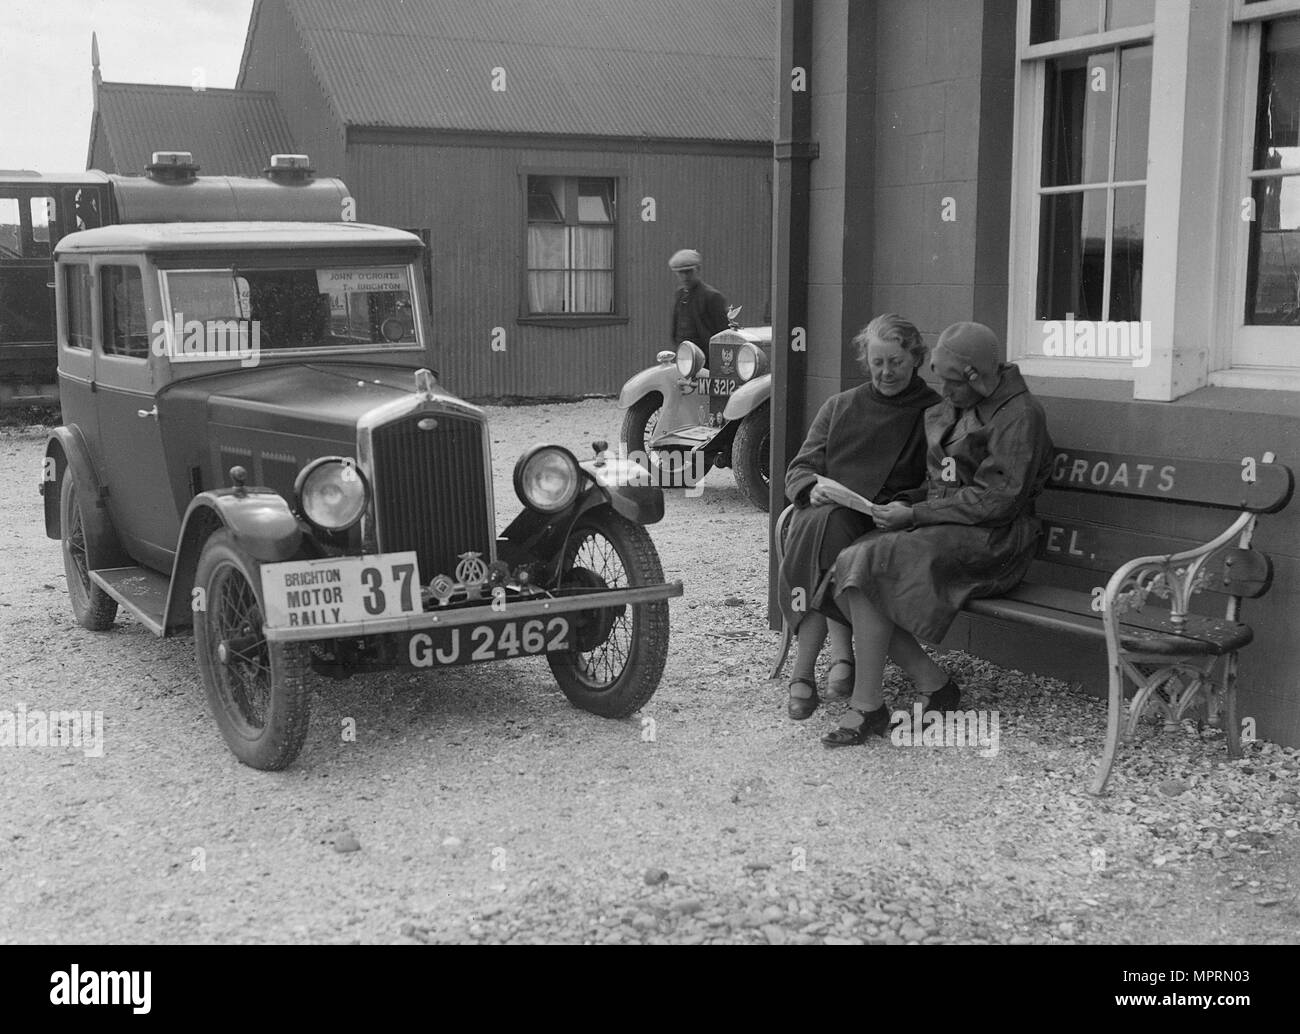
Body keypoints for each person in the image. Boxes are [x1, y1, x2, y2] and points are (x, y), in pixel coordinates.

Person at [818, 321, 1056, 747]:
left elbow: (997, 502)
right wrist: (899, 506)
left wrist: (915, 514)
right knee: (851, 562)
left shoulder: (1020, 415)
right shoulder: (961, 403)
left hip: (997, 542)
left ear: (976, 377)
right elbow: (939, 480)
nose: (943, 393)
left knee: (872, 562)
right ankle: (915, 686)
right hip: (947, 528)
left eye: (952, 384)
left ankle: (871, 703)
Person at [779, 314, 940, 720]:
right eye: (877, 363)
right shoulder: (840, 406)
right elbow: (798, 469)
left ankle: (808, 673)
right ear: (865, 361)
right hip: (835, 516)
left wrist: (906, 506)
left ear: (916, 358)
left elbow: (939, 483)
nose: (886, 372)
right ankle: (836, 663)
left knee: (819, 529)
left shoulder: (934, 413)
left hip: (890, 525)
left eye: (896, 363)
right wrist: (811, 487)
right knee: (821, 522)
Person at [668, 249, 729, 349]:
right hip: (684, 357)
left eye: (688, 272)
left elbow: (723, 334)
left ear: (698, 269)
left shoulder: (712, 297)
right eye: (680, 272)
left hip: (706, 358)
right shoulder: (679, 295)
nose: (685, 277)